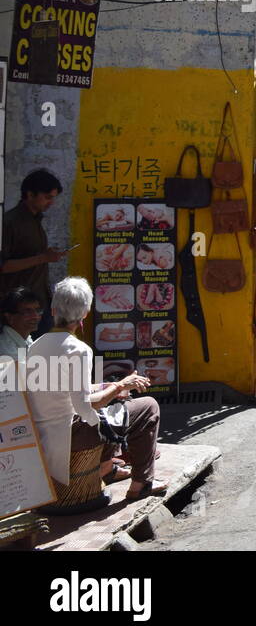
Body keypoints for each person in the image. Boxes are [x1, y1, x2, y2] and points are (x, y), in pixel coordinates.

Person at [27, 278, 165, 502]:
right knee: (148, 406)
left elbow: (63, 390)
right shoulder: (79, 349)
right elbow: (86, 405)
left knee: (114, 401)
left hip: (45, 434)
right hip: (72, 435)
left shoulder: (36, 345)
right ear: (86, 314)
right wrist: (120, 386)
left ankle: (106, 468)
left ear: (53, 309)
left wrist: (111, 387)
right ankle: (142, 483)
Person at [1, 169, 68, 337]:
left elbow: (30, 254)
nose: (51, 203)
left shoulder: (35, 219)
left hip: (40, 301)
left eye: (53, 198)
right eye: (47, 197)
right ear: (30, 194)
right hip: (19, 309)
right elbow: (3, 266)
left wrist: (45, 255)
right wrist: (42, 258)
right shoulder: (10, 223)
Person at [0, 286, 40, 363]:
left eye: (37, 310)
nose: (36, 316)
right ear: (9, 317)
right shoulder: (5, 350)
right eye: (27, 311)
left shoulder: (25, 338)